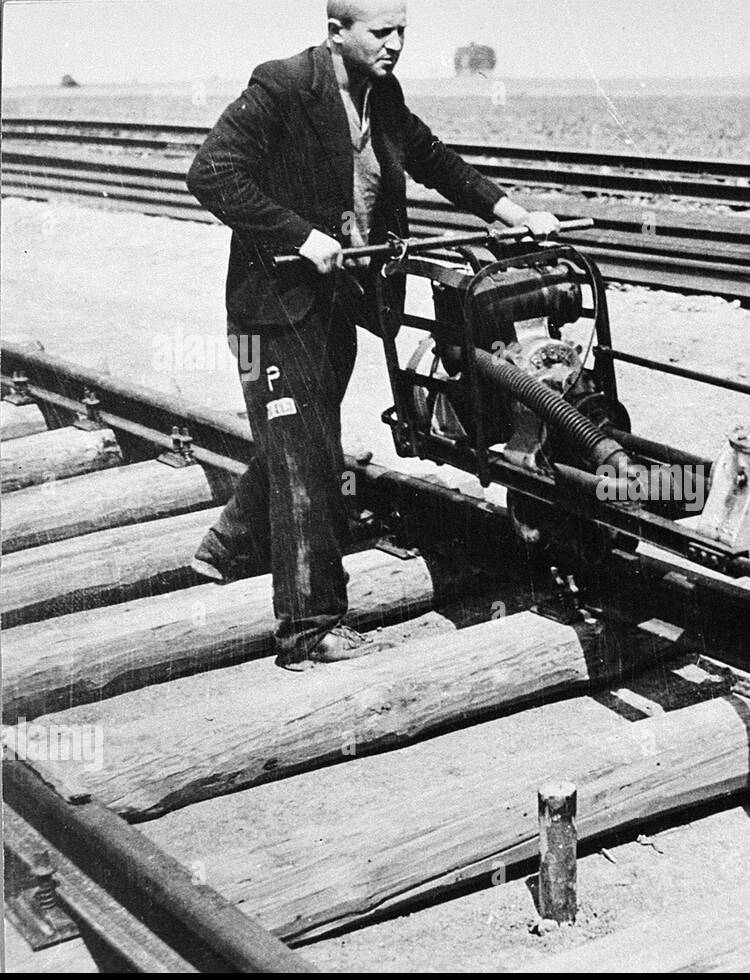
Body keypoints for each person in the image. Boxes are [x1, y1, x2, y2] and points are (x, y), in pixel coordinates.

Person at [186, 0, 559, 669]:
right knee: (309, 458)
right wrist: (301, 236)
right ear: (337, 33)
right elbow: (210, 173)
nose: (396, 45)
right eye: (381, 33)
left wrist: (510, 212)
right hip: (273, 309)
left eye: (403, 33)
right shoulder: (281, 86)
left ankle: (224, 546)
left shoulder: (380, 95)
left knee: (300, 437)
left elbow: (433, 159)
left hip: (339, 305)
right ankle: (309, 630)